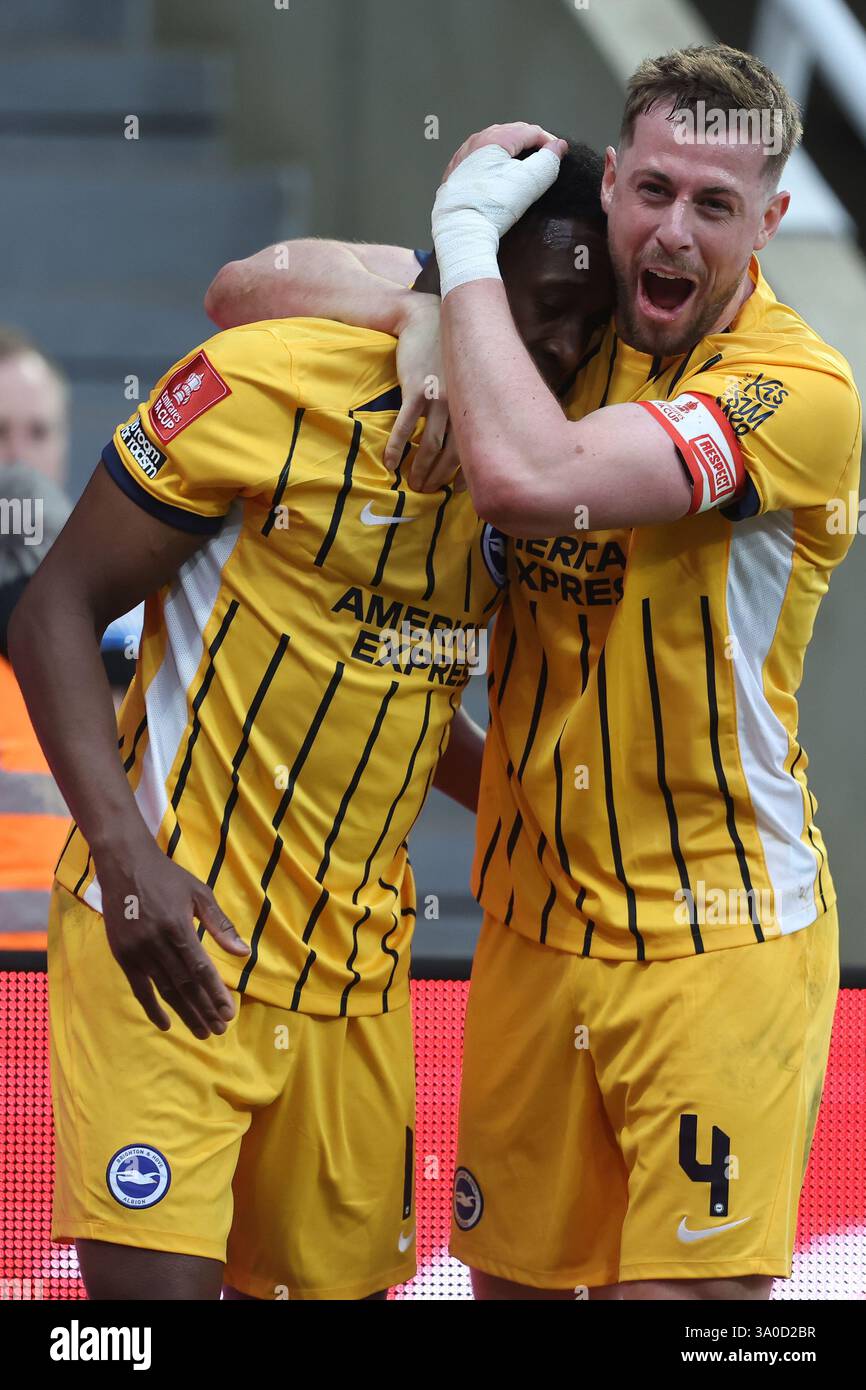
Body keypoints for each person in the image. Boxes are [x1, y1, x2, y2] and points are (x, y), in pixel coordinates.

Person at [209, 44, 861, 1301]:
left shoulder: (795, 390)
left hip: (714, 938)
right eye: (654, 191)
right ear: (608, 185)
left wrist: (458, 258)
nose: (673, 233)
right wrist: (415, 309)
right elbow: (247, 290)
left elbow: (536, 482)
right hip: (528, 934)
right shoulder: (556, 321)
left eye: (714, 207)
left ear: (769, 221)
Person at [9, 143, 613, 1301]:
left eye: (590, 329)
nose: (562, 351)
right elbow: (53, 611)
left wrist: (536, 818)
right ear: (463, 289)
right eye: (544, 310)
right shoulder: (271, 380)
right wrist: (130, 862)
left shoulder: (531, 476)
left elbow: (396, 687)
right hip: (172, 935)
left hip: (356, 980)